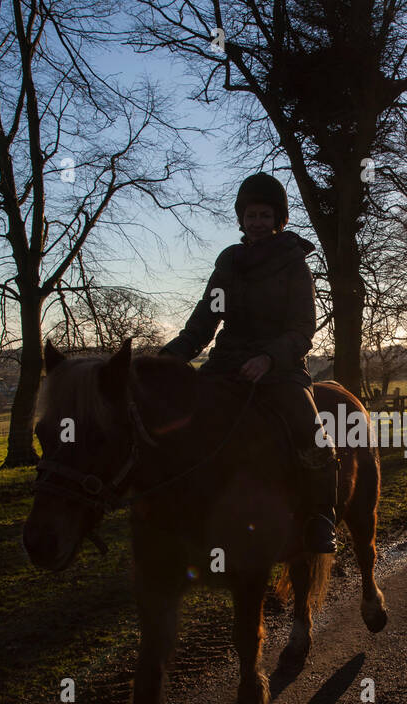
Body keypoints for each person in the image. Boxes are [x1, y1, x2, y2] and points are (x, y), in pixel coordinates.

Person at [158, 172, 338, 553]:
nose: (257, 222)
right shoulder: (229, 263)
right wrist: (171, 354)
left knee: (312, 432)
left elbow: (303, 327)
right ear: (241, 218)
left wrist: (270, 358)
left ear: (279, 220)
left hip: (283, 369)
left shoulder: (293, 264)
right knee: (183, 422)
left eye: (265, 215)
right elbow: (206, 318)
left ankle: (321, 516)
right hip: (226, 365)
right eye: (251, 215)